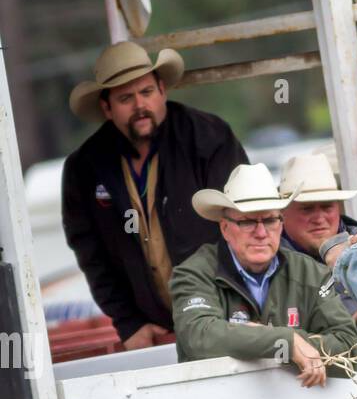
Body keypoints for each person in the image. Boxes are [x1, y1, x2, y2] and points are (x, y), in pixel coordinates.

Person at [61, 42, 248, 350]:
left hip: (226, 313)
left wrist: (238, 306)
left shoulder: (208, 136)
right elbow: (90, 253)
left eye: (146, 92)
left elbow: (244, 220)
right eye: (125, 98)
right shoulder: (85, 167)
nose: (139, 105)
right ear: (106, 107)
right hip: (153, 331)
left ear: (162, 90)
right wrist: (128, 322)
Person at [171, 164, 357, 383]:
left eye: (269, 220)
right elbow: (199, 337)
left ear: (281, 224)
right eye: (247, 221)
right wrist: (285, 341)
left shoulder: (311, 272)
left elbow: (349, 348)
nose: (261, 233)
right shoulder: (193, 272)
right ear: (224, 228)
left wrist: (287, 342)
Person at [279, 153, 357, 258]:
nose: (319, 219)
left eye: (326, 207)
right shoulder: (264, 264)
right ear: (282, 213)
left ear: (339, 208)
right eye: (307, 209)